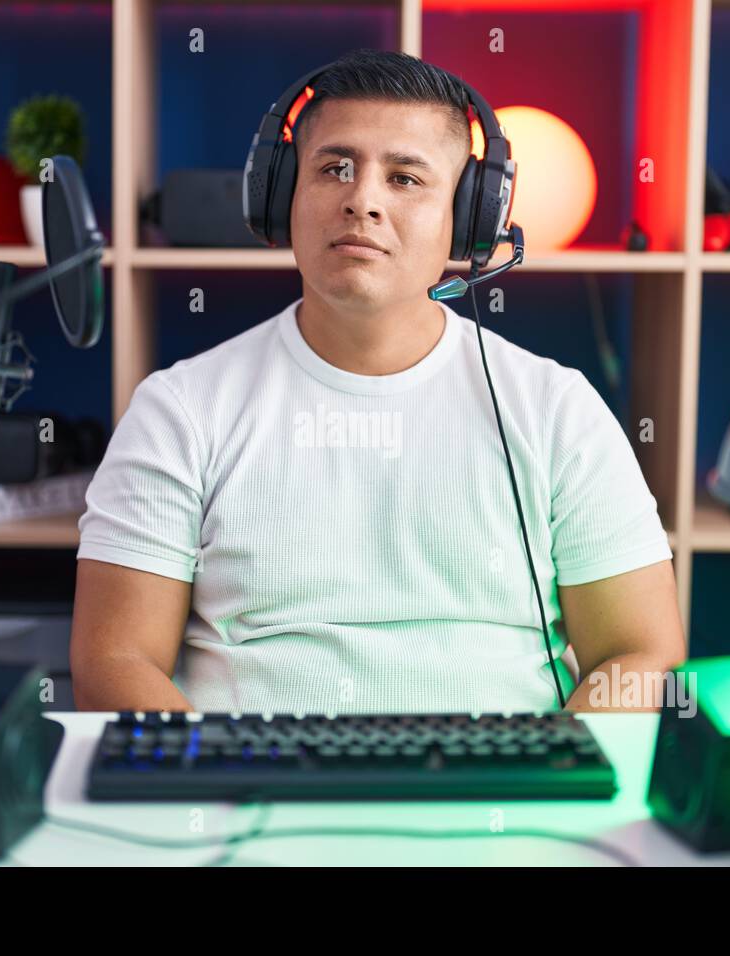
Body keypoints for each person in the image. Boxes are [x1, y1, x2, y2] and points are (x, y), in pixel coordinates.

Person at [71, 49, 684, 714]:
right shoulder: (180, 410)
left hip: (498, 798)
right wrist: (226, 784)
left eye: (404, 179)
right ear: (281, 199)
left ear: (470, 219)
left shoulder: (557, 411)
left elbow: (640, 653)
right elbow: (115, 659)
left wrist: (544, 777)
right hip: (253, 795)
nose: (362, 200)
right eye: (334, 169)